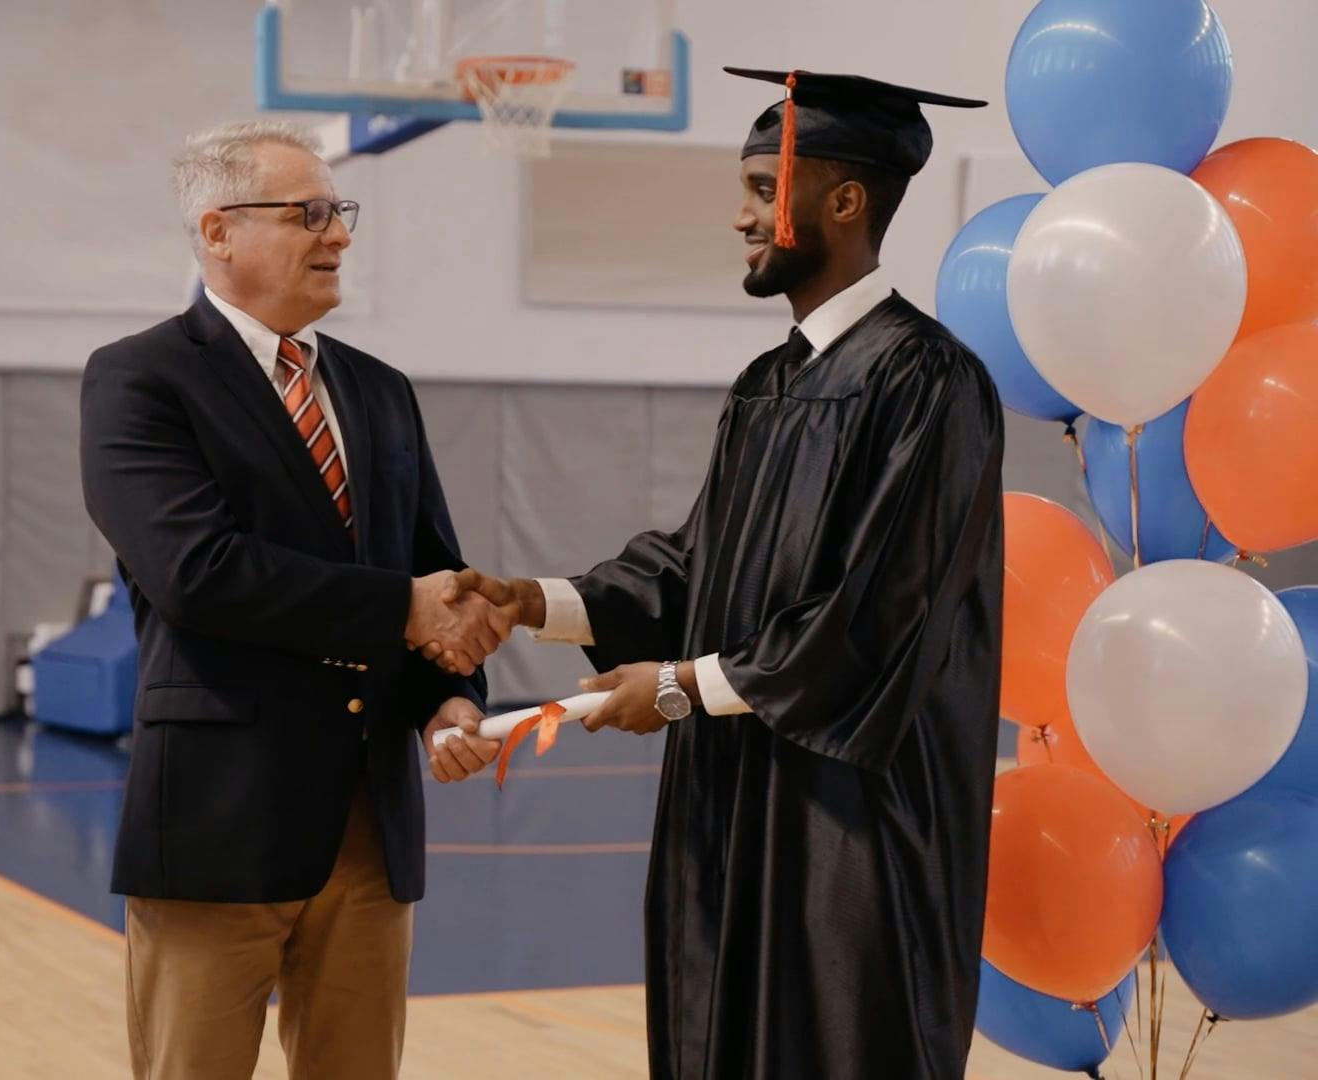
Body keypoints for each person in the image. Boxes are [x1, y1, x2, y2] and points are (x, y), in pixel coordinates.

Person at [430, 69, 1006, 1078]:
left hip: (853, 826)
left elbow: (879, 613)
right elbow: (698, 573)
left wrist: (680, 686)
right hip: (736, 798)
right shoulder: (771, 382)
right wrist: (534, 602)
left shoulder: (928, 381)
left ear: (844, 199)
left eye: (759, 185)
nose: (740, 215)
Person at [79, 120, 509, 1080]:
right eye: (308, 214)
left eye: (339, 212)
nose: (339, 235)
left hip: (372, 825)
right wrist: (404, 607)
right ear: (218, 230)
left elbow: (438, 570)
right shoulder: (140, 378)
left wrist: (452, 695)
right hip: (217, 826)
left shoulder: (380, 390)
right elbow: (198, 572)